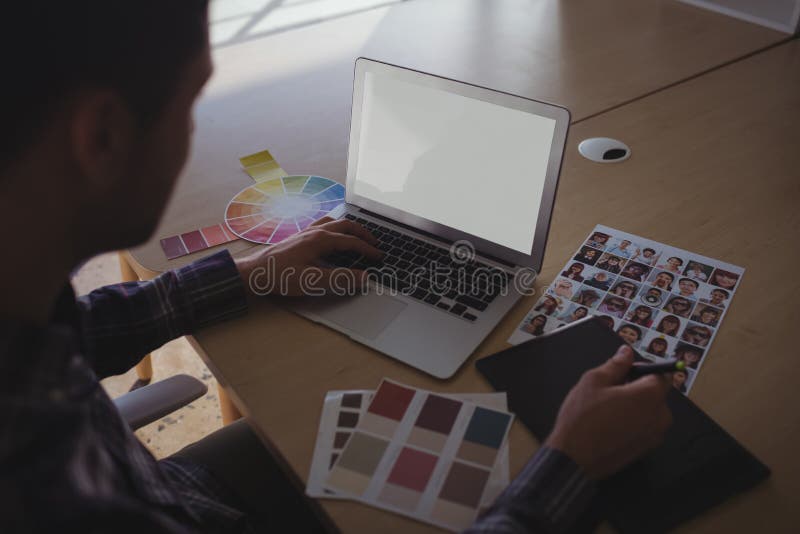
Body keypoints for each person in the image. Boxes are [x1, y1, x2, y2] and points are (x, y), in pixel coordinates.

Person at [1, 4, 673, 533]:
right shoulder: (48, 495)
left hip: (171, 488)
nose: (193, 132)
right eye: (194, 103)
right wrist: (571, 468)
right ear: (103, 139)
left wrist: (253, 272)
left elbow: (75, 332)